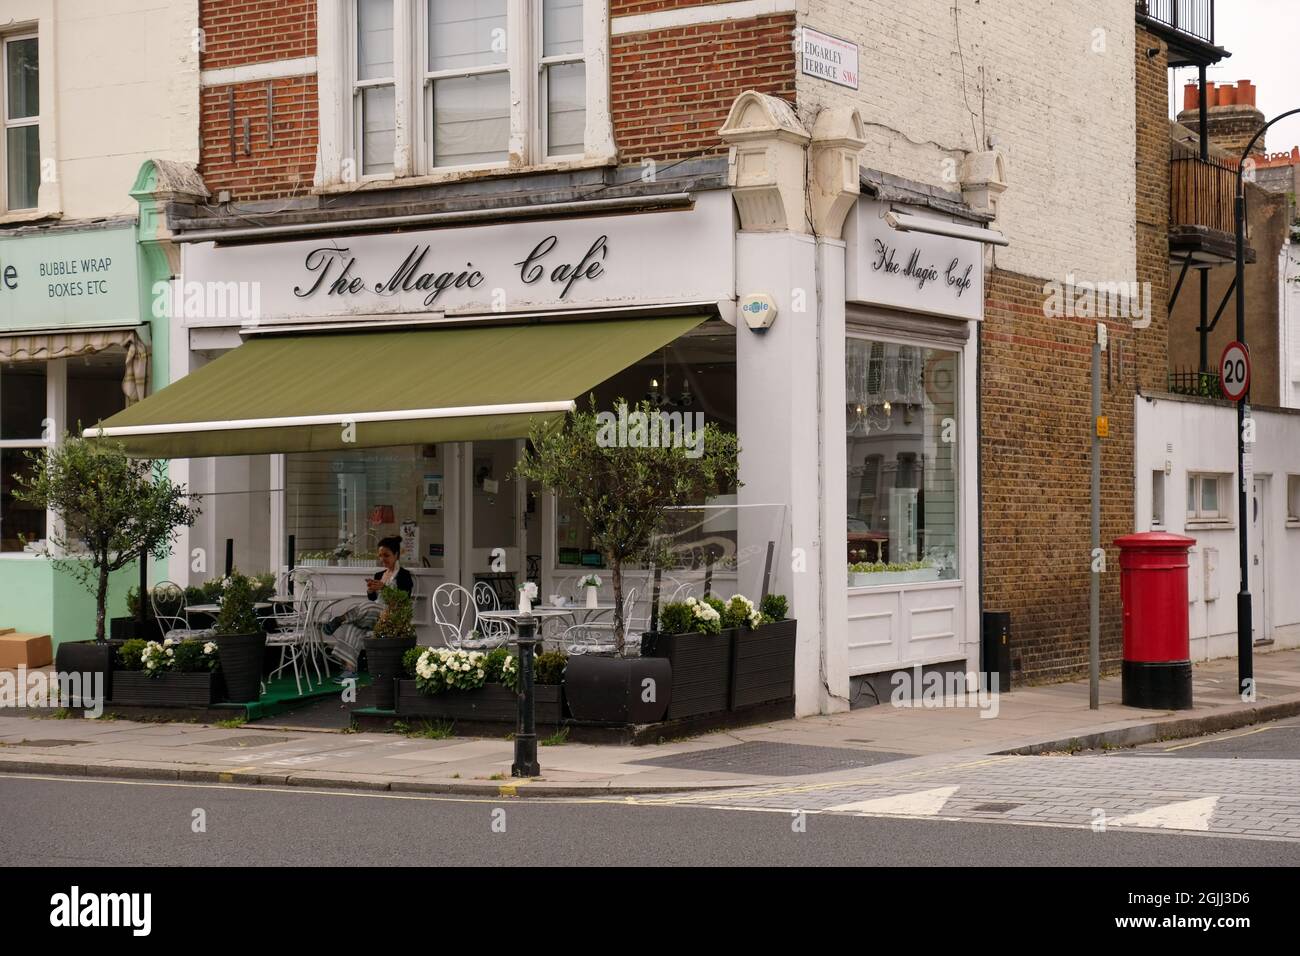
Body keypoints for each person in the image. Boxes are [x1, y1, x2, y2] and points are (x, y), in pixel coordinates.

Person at [322, 536, 414, 682]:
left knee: (368, 607)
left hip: (392, 617)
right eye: (380, 555)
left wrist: (384, 588)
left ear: (396, 555)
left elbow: (403, 600)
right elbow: (372, 599)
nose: (383, 559)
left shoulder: (404, 576)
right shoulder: (379, 575)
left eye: (386, 555)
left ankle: (340, 619)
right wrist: (371, 591)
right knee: (353, 625)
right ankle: (350, 670)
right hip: (373, 615)